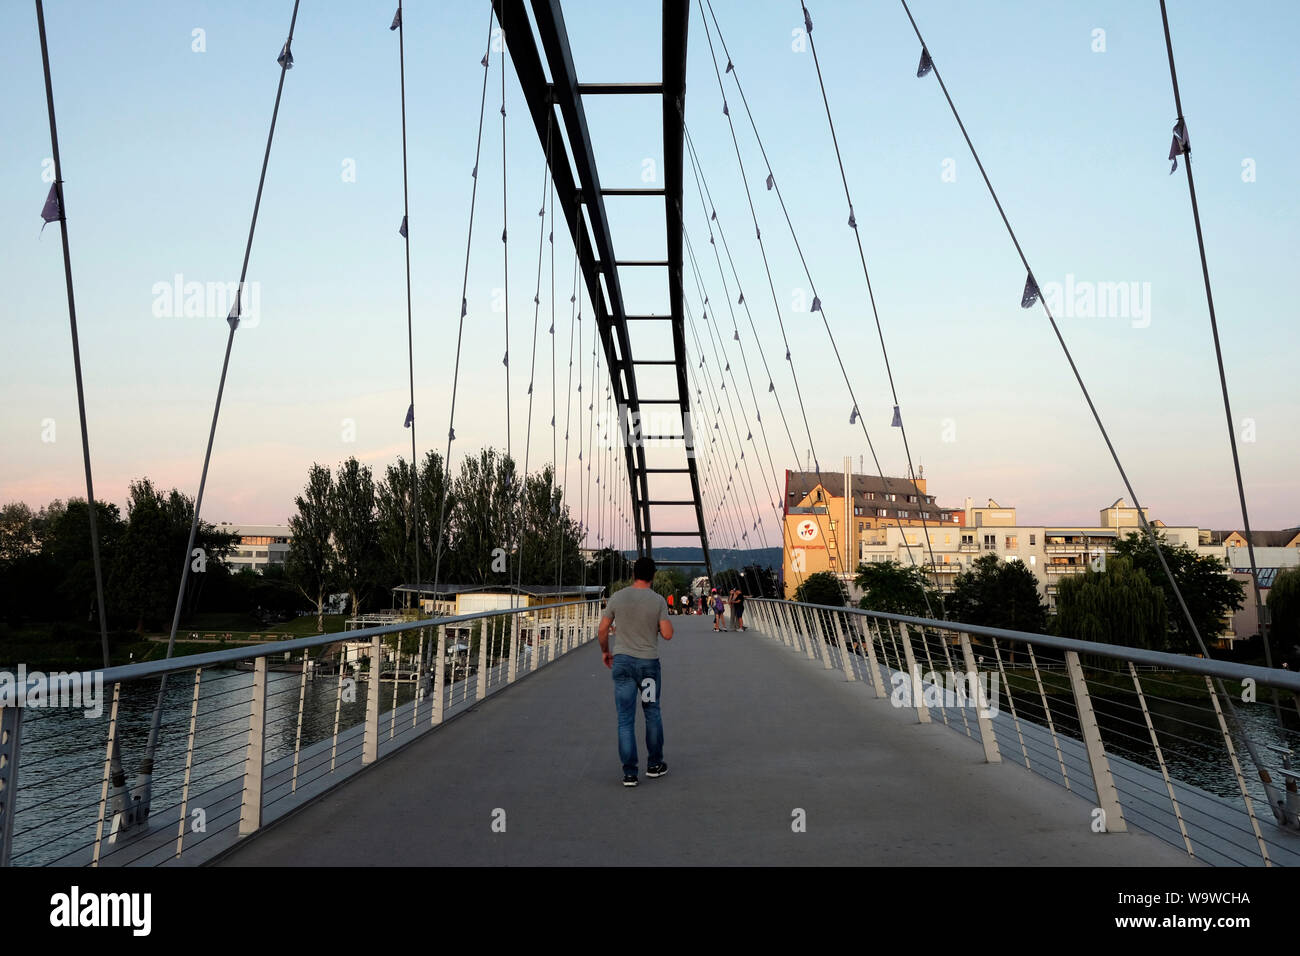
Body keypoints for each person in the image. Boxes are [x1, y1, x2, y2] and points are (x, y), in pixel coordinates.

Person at [598, 557, 673, 787]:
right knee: (651, 712)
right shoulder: (658, 600)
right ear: (652, 576)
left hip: (622, 664)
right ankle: (654, 764)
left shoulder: (617, 597)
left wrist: (605, 652)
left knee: (625, 719)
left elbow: (602, 630)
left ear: (633, 574)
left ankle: (629, 773)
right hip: (648, 666)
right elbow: (667, 634)